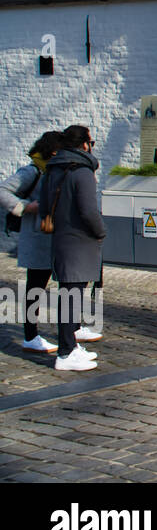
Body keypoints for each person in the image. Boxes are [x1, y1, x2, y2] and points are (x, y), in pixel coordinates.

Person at [38, 125, 107, 371]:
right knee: (72, 298)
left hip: (61, 240)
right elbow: (88, 210)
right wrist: (101, 231)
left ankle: (71, 347)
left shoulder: (52, 170)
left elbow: (44, 206)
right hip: (80, 241)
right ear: (84, 144)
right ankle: (66, 353)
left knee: (69, 295)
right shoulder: (82, 172)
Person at [0, 131, 64, 353]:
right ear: (53, 150)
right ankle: (30, 335)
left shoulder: (56, 171)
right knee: (34, 288)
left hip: (54, 238)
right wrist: (27, 206)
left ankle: (70, 329)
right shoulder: (33, 170)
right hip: (37, 238)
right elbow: (3, 191)